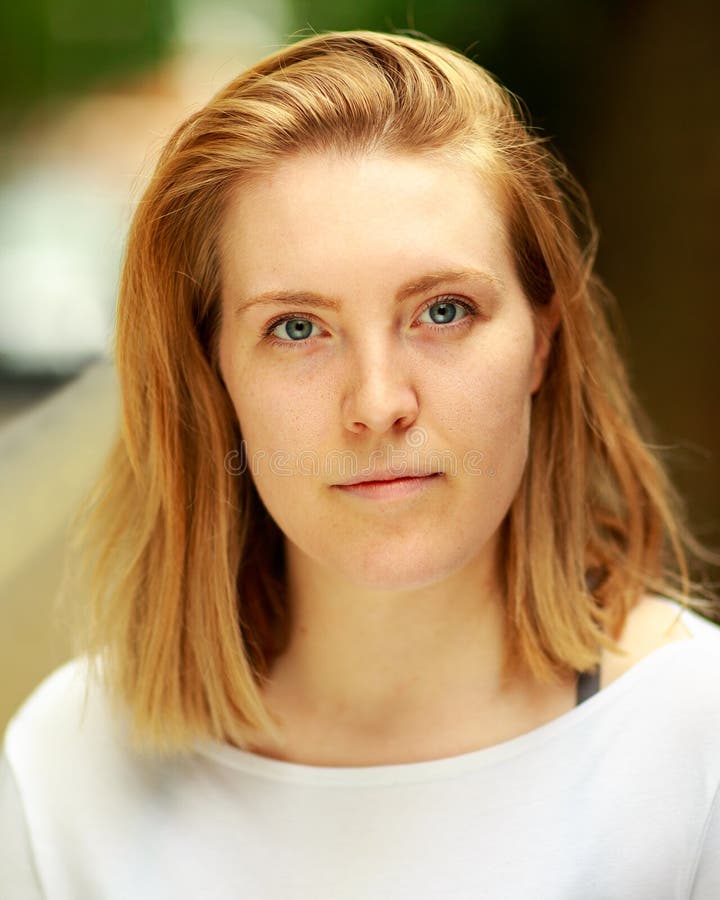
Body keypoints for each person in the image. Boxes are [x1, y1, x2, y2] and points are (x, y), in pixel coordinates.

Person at [1, 29, 718, 899]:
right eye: (297, 328)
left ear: (542, 341)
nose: (378, 402)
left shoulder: (696, 747)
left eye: (443, 311)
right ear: (214, 374)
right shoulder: (68, 770)